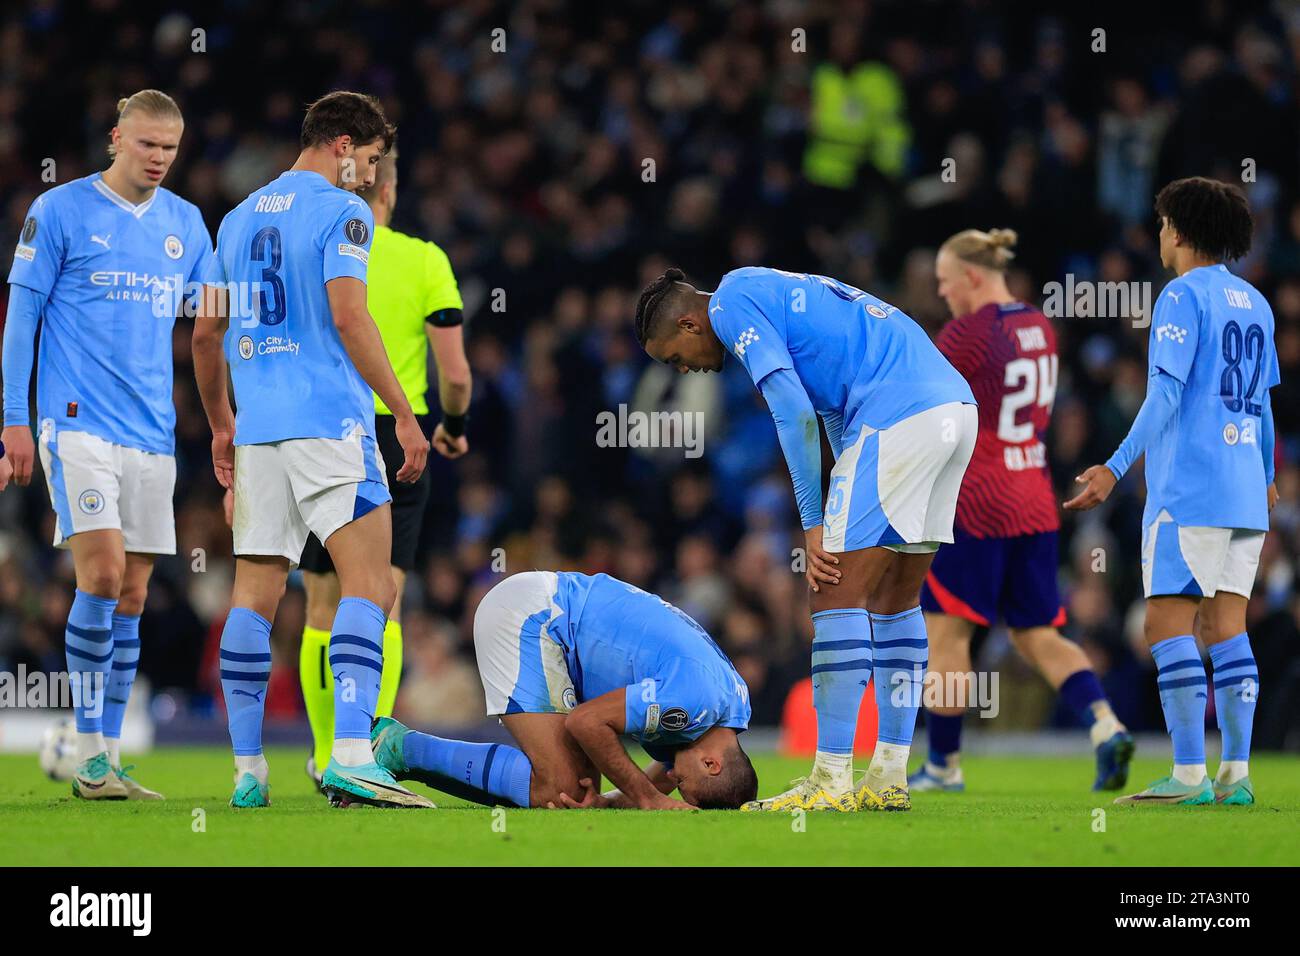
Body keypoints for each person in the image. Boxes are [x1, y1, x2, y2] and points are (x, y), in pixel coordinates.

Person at [635, 266, 976, 811]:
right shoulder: (773, 292)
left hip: (897, 417)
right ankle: (888, 774)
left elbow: (793, 414)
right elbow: (831, 410)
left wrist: (815, 519)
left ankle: (831, 778)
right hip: (953, 410)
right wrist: (845, 485)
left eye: (675, 357)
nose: (687, 369)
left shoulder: (728, 303)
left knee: (832, 592)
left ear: (690, 323)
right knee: (894, 601)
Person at [193, 91, 430, 808]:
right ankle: (353, 755)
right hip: (330, 423)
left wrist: (221, 424)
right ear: (344, 144)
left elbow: (205, 337)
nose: (371, 172)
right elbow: (350, 315)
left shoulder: (233, 221)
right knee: (372, 586)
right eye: (372, 158)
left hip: (260, 428)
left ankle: (247, 769)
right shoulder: (343, 212)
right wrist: (403, 412)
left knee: (253, 599)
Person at [2, 90, 220, 800]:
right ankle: (92, 751)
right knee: (100, 573)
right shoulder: (59, 211)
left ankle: (106, 758)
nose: (158, 159)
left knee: (131, 593)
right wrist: (13, 418)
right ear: (116, 138)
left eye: (170, 148)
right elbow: (22, 316)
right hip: (74, 425)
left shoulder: (186, 225)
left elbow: (210, 325)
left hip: (152, 435)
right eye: (147, 144)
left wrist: (225, 418)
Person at [1066, 177, 1277, 807]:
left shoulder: (1181, 297)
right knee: (1227, 626)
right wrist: (1265, 475)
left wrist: (1112, 465)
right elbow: (1262, 405)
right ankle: (1235, 776)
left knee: (1165, 622)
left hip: (1191, 489)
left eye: (1162, 224)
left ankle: (1188, 776)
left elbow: (1164, 395)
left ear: (1180, 232)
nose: (1159, 234)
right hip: (1244, 490)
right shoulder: (1257, 304)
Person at [914, 228, 1133, 793]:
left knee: (948, 636)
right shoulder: (1040, 326)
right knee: (1038, 634)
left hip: (978, 501)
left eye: (945, 283)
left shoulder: (965, 334)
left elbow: (924, 406)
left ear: (971, 275)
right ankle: (1106, 726)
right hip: (1034, 498)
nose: (943, 295)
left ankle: (942, 765)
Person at [296, 147, 472, 788]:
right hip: (400, 435)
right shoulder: (424, 260)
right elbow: (454, 374)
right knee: (382, 600)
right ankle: (365, 746)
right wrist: (452, 426)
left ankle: (323, 754)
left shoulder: (315, 248)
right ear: (389, 191)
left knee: (319, 603)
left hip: (321, 430)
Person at [365, 570, 756, 810]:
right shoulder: (693, 704)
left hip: (551, 613)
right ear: (712, 764)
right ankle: (399, 747)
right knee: (560, 790)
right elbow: (586, 723)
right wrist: (646, 798)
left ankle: (399, 750)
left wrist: (616, 802)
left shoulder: (732, 705)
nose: (673, 780)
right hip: (532, 617)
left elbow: (667, 766)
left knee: (581, 791)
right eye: (682, 785)